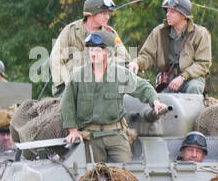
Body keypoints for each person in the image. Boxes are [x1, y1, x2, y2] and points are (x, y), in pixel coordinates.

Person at [62, 31, 166, 163]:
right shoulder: (78, 76)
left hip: (115, 134)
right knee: (93, 177)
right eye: (91, 50)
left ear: (108, 53)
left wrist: (155, 102)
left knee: (125, 174)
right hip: (90, 136)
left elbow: (142, 87)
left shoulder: (119, 74)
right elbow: (67, 103)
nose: (93, 54)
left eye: (98, 50)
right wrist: (73, 130)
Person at [128, 0, 212, 94]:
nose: (168, 14)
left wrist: (183, 77)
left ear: (183, 15)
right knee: (160, 102)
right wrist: (137, 63)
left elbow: (203, 63)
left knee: (193, 89)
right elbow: (148, 56)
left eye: (172, 12)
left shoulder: (200, 34)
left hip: (192, 78)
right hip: (169, 80)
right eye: (167, 11)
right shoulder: (159, 32)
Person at [49, 0, 131, 94]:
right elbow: (56, 59)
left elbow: (124, 58)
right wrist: (67, 80)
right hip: (72, 87)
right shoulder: (70, 31)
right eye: (103, 13)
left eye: (108, 13)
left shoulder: (110, 33)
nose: (107, 17)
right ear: (91, 13)